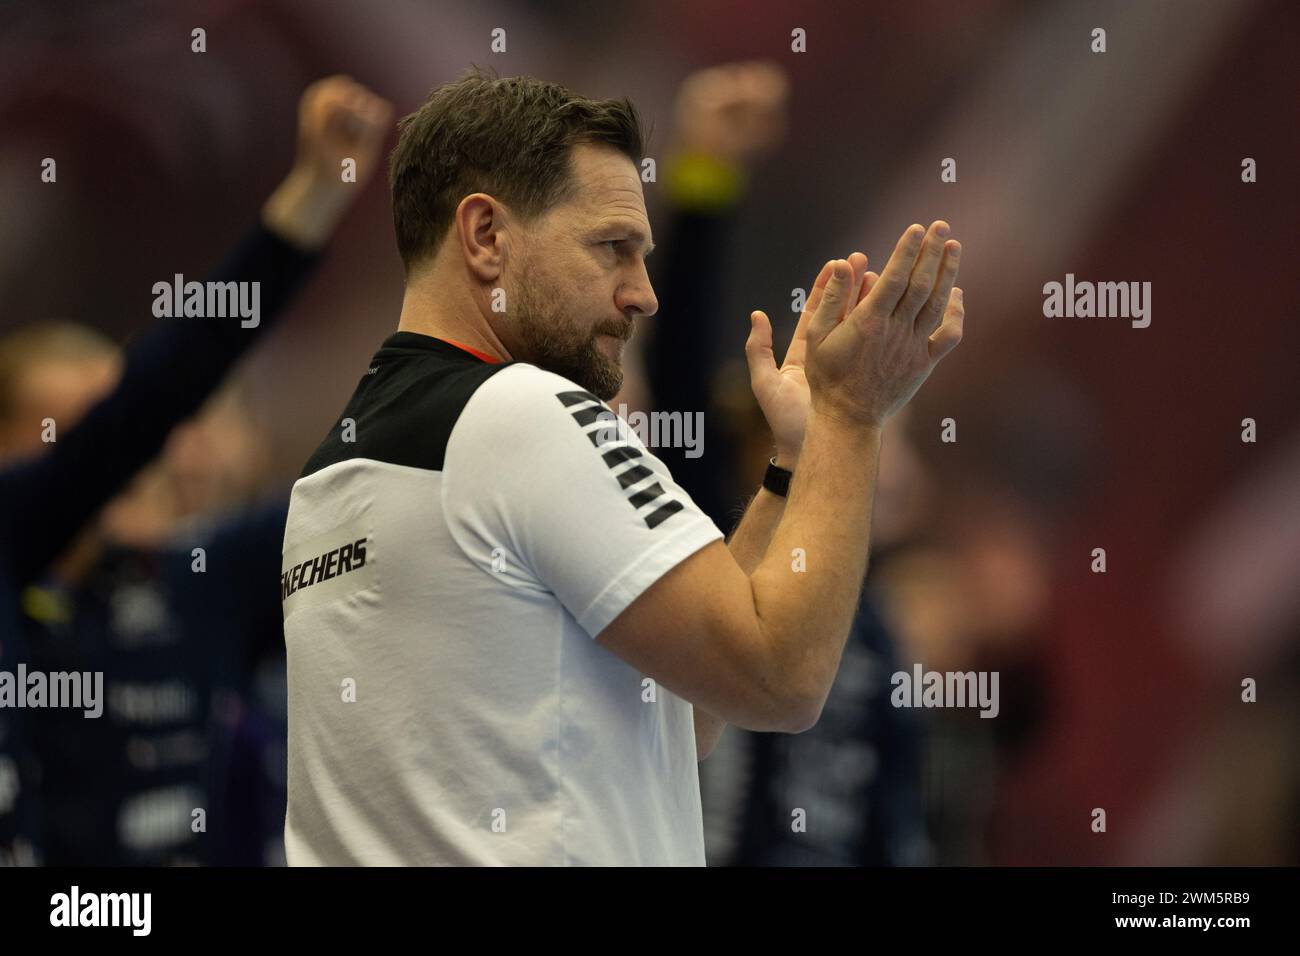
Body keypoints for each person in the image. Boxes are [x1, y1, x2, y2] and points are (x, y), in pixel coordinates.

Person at [281, 67, 964, 866]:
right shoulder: (524, 415)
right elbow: (781, 677)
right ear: (486, 237)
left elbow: (695, 702)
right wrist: (853, 416)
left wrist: (790, 464)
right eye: (613, 248)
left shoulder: (329, 470)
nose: (643, 294)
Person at [0, 75, 391, 866]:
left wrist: (311, 199)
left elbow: (169, 389)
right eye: (64, 432)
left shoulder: (187, 580)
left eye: (103, 430)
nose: (130, 464)